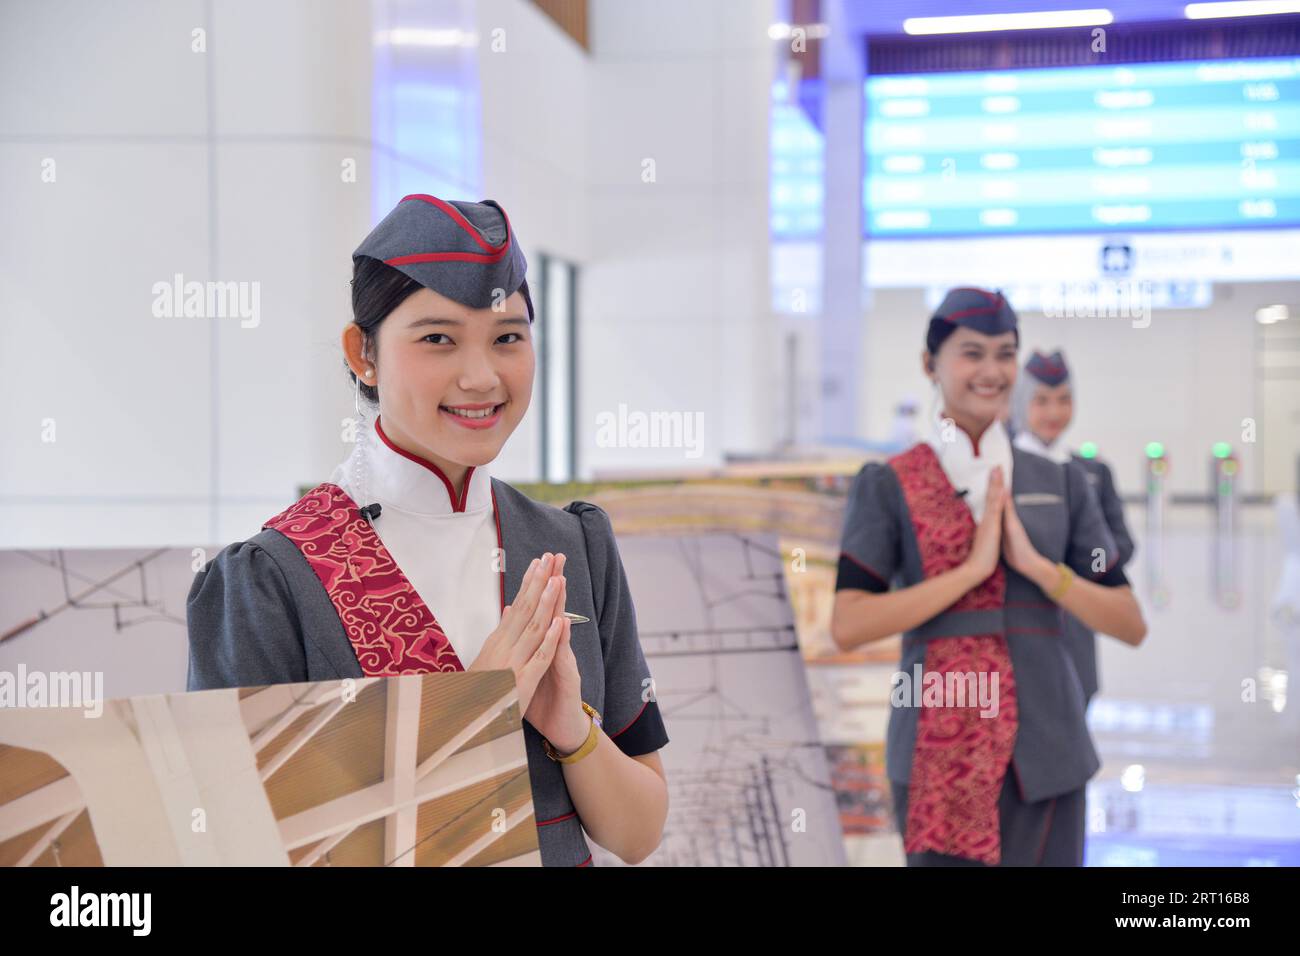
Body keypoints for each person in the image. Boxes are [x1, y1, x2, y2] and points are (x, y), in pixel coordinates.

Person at [186, 194, 669, 867]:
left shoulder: (574, 546)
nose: (481, 377)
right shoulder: (273, 579)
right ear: (364, 354)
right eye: (438, 338)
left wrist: (571, 728)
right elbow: (234, 847)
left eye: (507, 337)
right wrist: (473, 714)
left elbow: (638, 834)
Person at [830, 288, 1146, 866]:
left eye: (1005, 354)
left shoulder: (1064, 482)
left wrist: (1040, 569)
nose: (992, 371)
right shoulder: (888, 483)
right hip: (936, 752)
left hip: (1047, 750)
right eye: (972, 354)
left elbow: (1129, 622)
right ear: (931, 365)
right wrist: (971, 572)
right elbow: (849, 623)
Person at [1008, 349, 1136, 703]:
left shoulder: (1092, 472)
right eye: (1041, 400)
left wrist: (1083, 569)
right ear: (1021, 402)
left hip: (1077, 622)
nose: (1054, 412)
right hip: (1017, 628)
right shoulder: (1003, 468)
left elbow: (1121, 545)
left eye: (1064, 400)